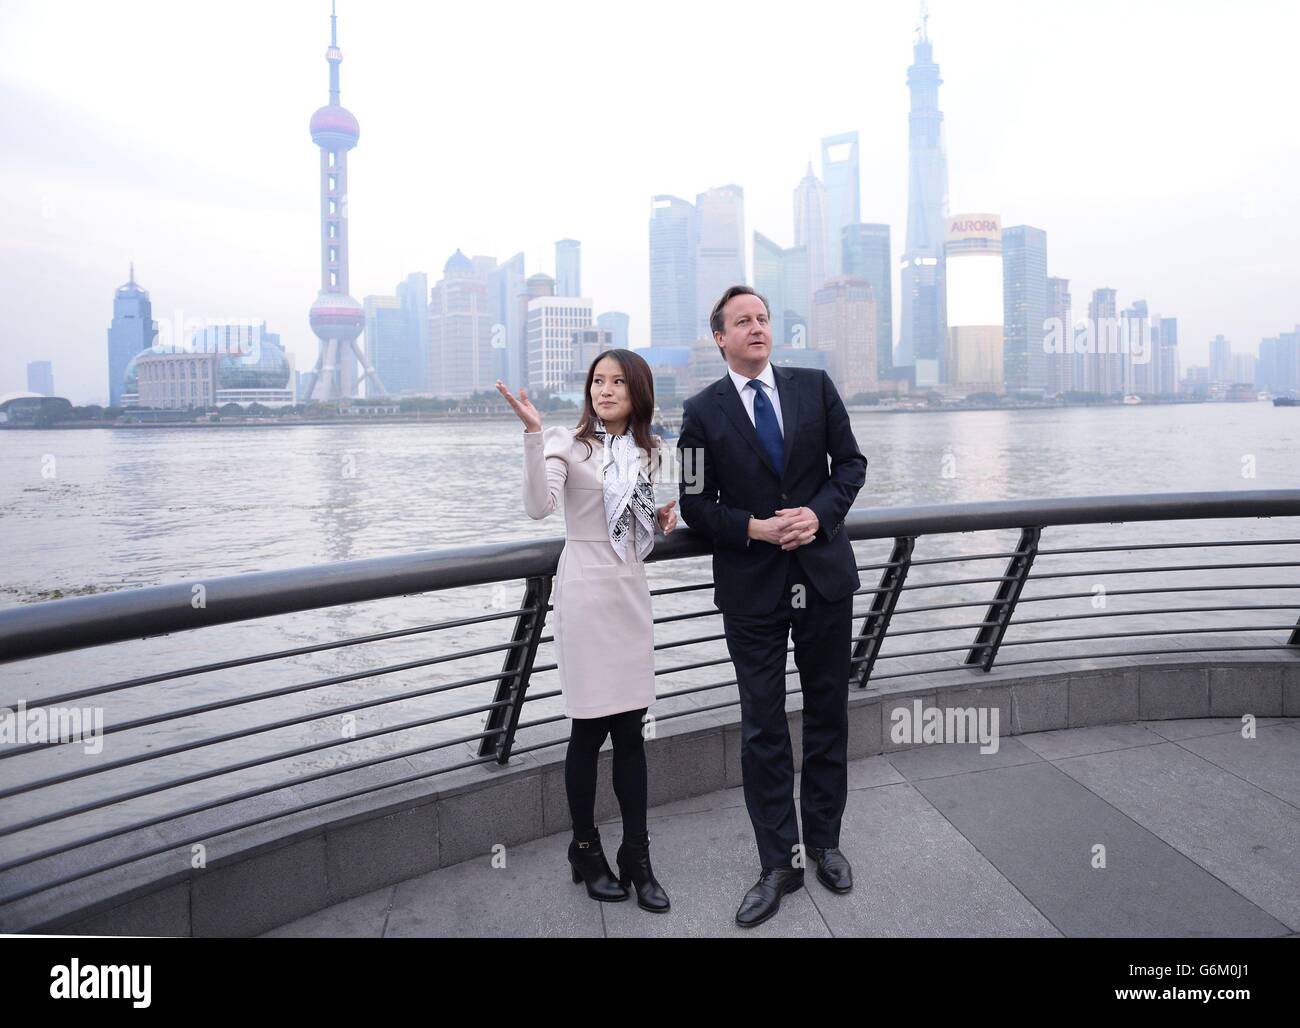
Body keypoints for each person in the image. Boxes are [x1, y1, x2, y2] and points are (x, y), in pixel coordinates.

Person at [677, 285, 868, 928]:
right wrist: (756, 528)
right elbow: (697, 503)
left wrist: (816, 514)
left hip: (822, 578)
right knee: (762, 727)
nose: (757, 327)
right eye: (742, 321)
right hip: (752, 586)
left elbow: (851, 465)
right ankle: (778, 862)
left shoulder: (815, 386)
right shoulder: (701, 412)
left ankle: (824, 843)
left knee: (827, 715)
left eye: (762, 318)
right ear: (720, 338)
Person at [496, 350, 678, 913]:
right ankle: (584, 848)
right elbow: (537, 507)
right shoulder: (566, 443)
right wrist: (531, 434)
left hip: (629, 591)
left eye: (617, 381)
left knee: (631, 730)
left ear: (637, 390)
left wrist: (667, 518)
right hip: (583, 594)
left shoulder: (649, 451)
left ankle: (637, 856)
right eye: (597, 381)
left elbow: (641, 522)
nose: (604, 389)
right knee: (588, 730)